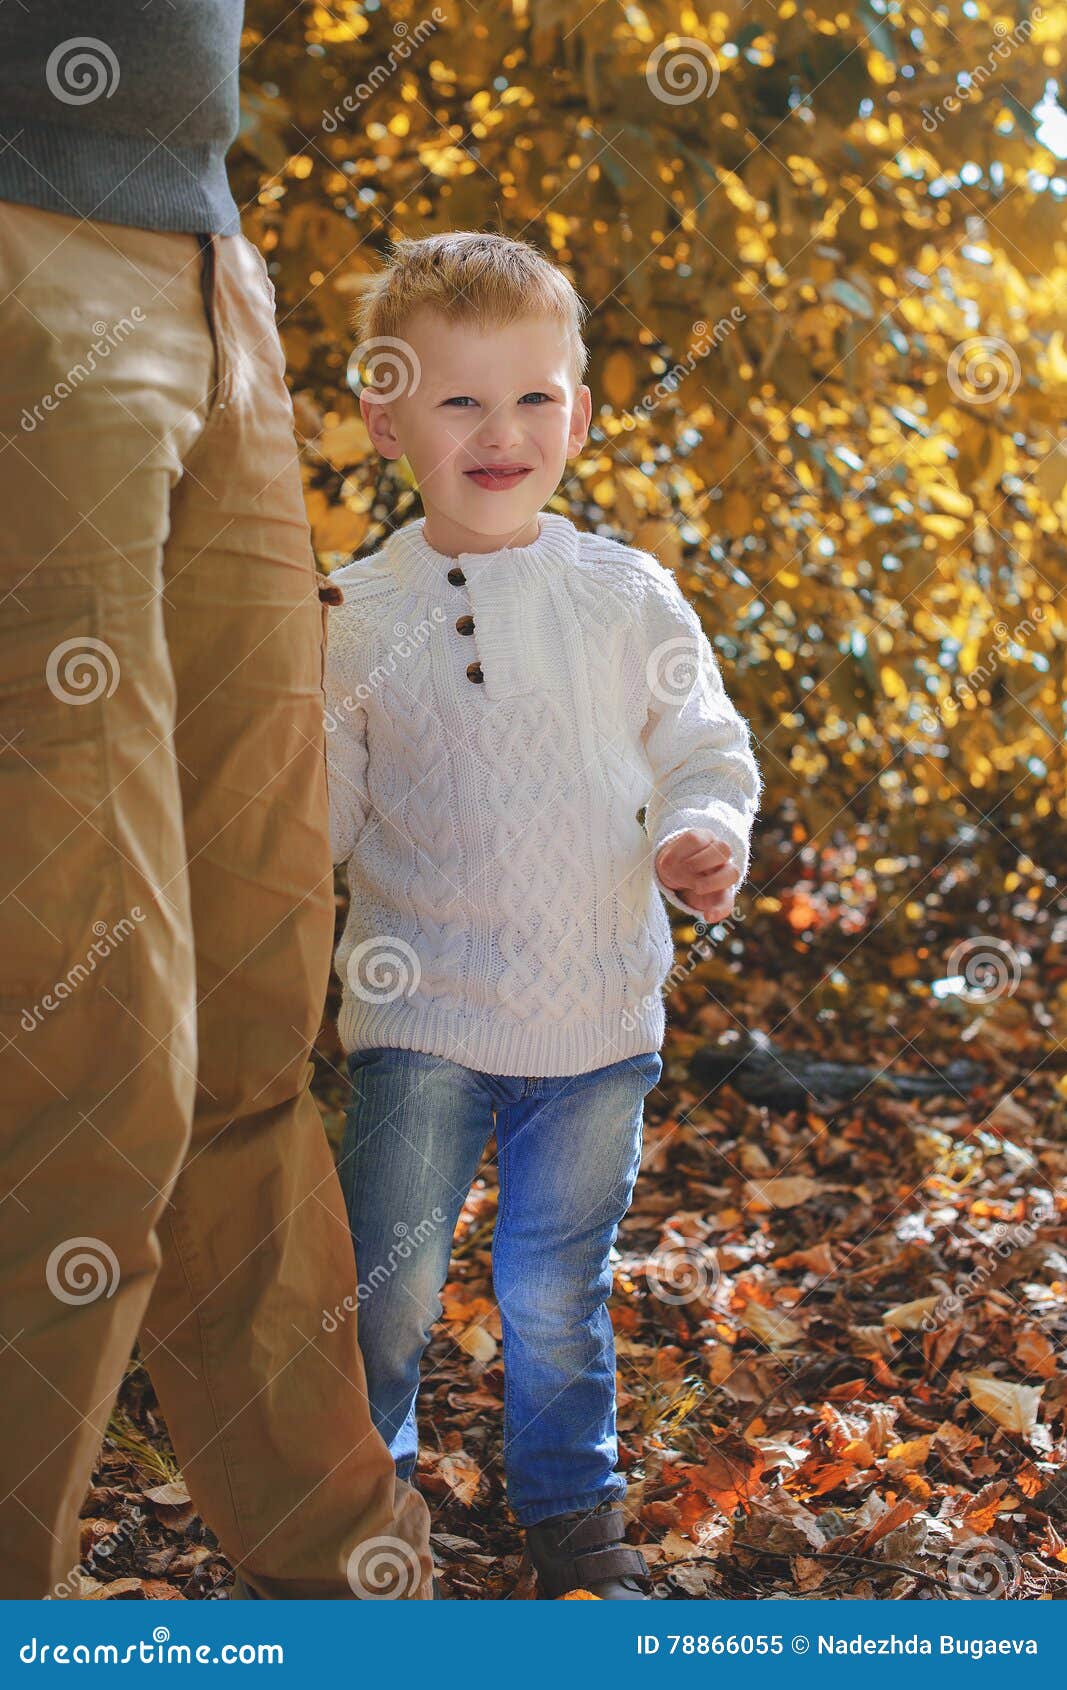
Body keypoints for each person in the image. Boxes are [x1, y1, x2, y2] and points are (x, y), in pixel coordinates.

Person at [0, 2, 433, 1599]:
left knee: (255, 1005)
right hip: (20, 240)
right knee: (82, 1029)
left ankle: (353, 1589)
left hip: (205, 244)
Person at [324, 231, 763, 1599]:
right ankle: (363, 1502)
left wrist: (707, 831)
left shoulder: (627, 595)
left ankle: (574, 1515)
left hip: (592, 1010)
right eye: (460, 401)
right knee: (386, 1281)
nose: (502, 432)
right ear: (384, 412)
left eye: (532, 397)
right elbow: (317, 821)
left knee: (549, 1291)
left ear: (575, 409)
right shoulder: (354, 610)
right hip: (419, 1007)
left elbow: (706, 742)